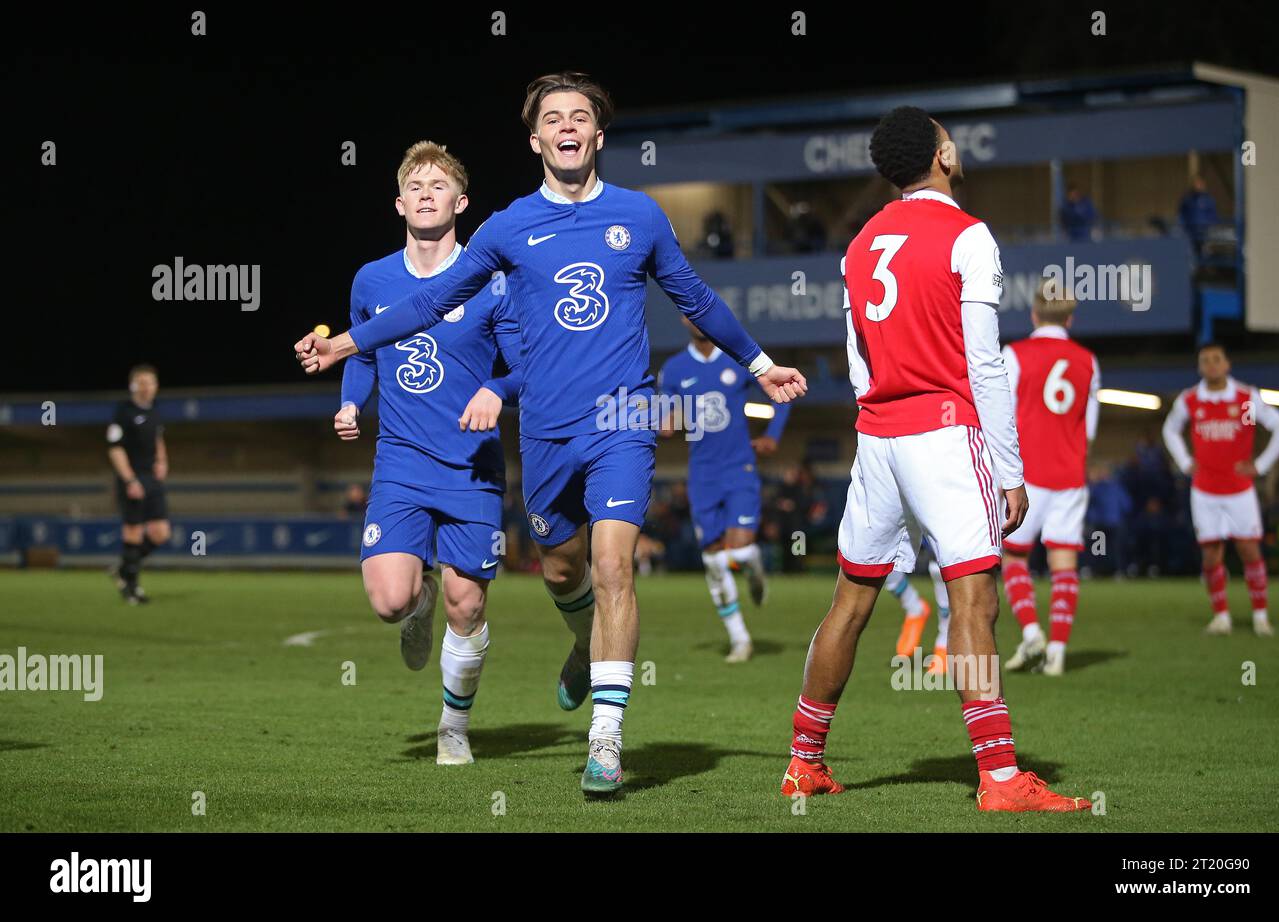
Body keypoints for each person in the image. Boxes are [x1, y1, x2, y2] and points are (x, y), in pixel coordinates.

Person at [295, 72, 807, 797]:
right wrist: (348, 345)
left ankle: (605, 738)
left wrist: (759, 364)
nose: (567, 126)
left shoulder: (641, 215)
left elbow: (694, 295)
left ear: (598, 134)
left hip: (624, 422)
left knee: (613, 568)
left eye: (581, 116)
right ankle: (579, 645)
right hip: (543, 435)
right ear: (535, 139)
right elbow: (435, 299)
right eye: (552, 118)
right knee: (563, 571)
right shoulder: (507, 228)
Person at [779, 105, 1090, 812]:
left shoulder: (859, 243)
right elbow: (985, 365)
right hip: (944, 434)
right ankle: (1002, 778)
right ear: (942, 156)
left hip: (877, 434)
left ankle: (803, 763)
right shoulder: (968, 234)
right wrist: (1010, 470)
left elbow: (857, 353)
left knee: (851, 600)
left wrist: (876, 411)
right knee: (974, 599)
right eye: (950, 140)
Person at [334, 141, 522, 765]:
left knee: (467, 604)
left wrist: (497, 388)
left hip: (474, 466)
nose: (425, 192)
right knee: (389, 601)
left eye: (438, 185)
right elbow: (361, 352)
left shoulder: (493, 282)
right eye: (414, 185)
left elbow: (528, 366)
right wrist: (351, 403)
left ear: (460, 203)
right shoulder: (372, 278)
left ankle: (453, 727)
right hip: (401, 463)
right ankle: (417, 607)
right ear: (398, 203)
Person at [658, 317, 791, 663]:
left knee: (741, 549)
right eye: (686, 313)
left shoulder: (738, 356)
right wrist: (662, 422)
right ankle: (740, 639)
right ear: (683, 319)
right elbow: (666, 418)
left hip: (739, 469)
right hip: (702, 475)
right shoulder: (674, 369)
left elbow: (784, 394)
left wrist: (772, 437)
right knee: (714, 561)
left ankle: (754, 564)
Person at [999, 286, 1100, 675]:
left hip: (1027, 475)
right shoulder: (1089, 360)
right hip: (1070, 475)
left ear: (1034, 315)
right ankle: (1057, 651)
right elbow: (1088, 430)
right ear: (1070, 319)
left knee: (1015, 557)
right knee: (1064, 564)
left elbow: (1001, 417)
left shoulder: (1016, 354)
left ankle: (1030, 633)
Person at [1161, 343, 1279, 635]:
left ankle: (1260, 615)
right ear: (1199, 367)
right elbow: (1169, 429)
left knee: (1249, 549)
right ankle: (1221, 616)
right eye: (1204, 361)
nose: (1210, 365)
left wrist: (1261, 465)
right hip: (1204, 490)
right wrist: (1184, 461)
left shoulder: (1245, 399)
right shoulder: (1191, 399)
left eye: (1216, 360)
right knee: (1211, 554)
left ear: (1227, 365)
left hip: (1239, 489)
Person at [106, 364, 171, 604]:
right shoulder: (123, 412)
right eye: (142, 383)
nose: (147, 387)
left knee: (161, 533)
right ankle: (131, 588)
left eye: (151, 383)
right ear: (133, 385)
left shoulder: (155, 411)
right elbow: (115, 449)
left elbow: (158, 438)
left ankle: (122, 568)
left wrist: (162, 461)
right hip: (131, 478)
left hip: (152, 478)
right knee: (133, 533)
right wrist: (130, 480)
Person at [1178, 175, 1218, 257]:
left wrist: (1210, 226)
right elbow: (1182, 213)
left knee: (1205, 254)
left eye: (1201, 184)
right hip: (1191, 232)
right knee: (1191, 253)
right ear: (1193, 185)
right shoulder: (1187, 199)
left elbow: (1213, 214)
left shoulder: (1208, 199)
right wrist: (1183, 226)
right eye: (1197, 184)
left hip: (1204, 232)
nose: (1199, 186)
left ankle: (1204, 267)